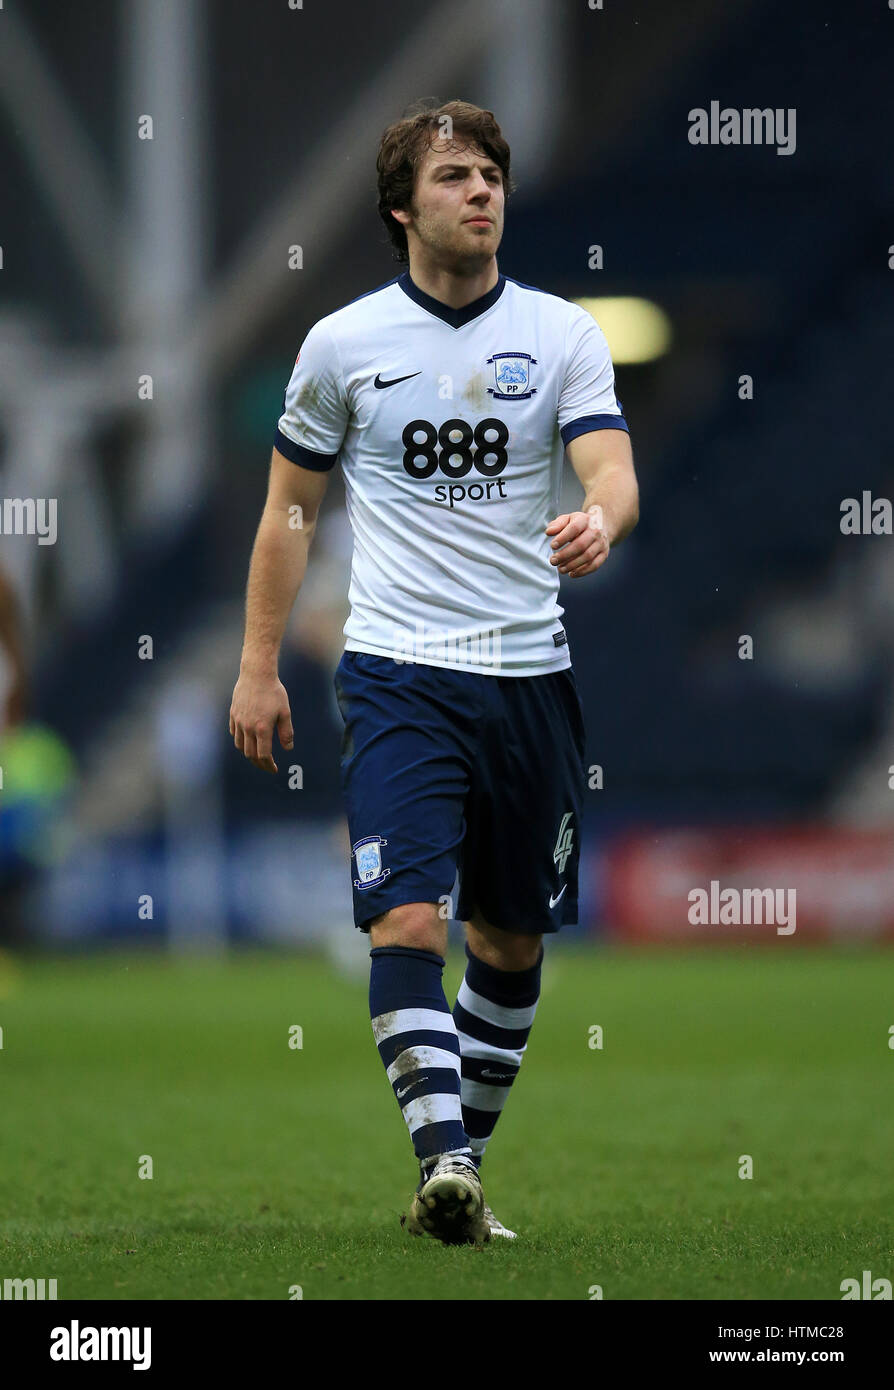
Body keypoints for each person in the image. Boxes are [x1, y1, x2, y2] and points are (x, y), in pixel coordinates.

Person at [230, 99, 639, 1246]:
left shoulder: (562, 332)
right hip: (399, 669)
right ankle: (447, 1158)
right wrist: (258, 664)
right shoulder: (343, 344)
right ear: (403, 207)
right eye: (456, 174)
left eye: (494, 173)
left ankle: (449, 1179)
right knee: (408, 918)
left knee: (510, 947)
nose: (483, 191)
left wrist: (600, 519)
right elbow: (287, 516)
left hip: (529, 672)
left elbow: (612, 470)